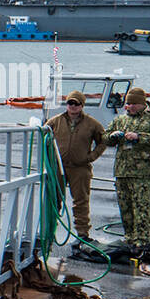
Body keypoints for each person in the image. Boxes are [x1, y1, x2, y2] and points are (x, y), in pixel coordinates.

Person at [104, 86, 150, 253]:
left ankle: (143, 241)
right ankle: (129, 238)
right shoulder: (121, 120)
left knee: (142, 207)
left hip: (144, 172)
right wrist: (112, 136)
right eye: (128, 104)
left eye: (133, 104)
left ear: (142, 104)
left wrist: (139, 137)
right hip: (122, 171)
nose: (130, 107)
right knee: (125, 206)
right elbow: (105, 137)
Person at [45, 89, 107, 244]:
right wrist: (48, 158)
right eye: (70, 103)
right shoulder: (55, 121)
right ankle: (48, 231)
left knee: (81, 201)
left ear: (82, 105)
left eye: (76, 103)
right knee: (53, 199)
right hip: (58, 167)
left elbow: (104, 140)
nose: (72, 106)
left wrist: (91, 157)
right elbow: (43, 136)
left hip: (80, 168)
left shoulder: (92, 123)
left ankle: (82, 234)